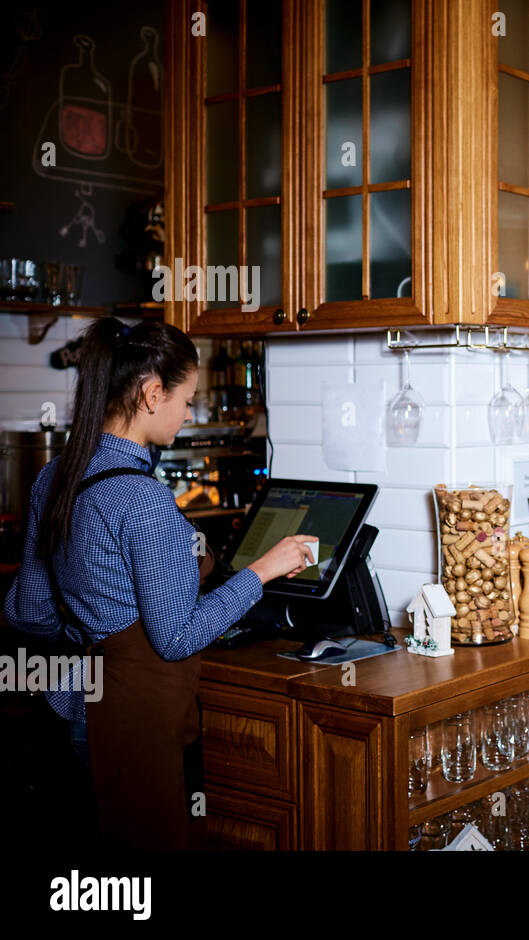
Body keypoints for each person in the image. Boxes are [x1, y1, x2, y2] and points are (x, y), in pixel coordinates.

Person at [4, 317, 317, 850]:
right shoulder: (144, 501)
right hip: (132, 723)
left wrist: (91, 616)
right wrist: (260, 571)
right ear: (152, 394)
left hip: (71, 704)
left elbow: (28, 610)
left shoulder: (51, 477)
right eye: (187, 399)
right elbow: (176, 637)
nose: (189, 412)